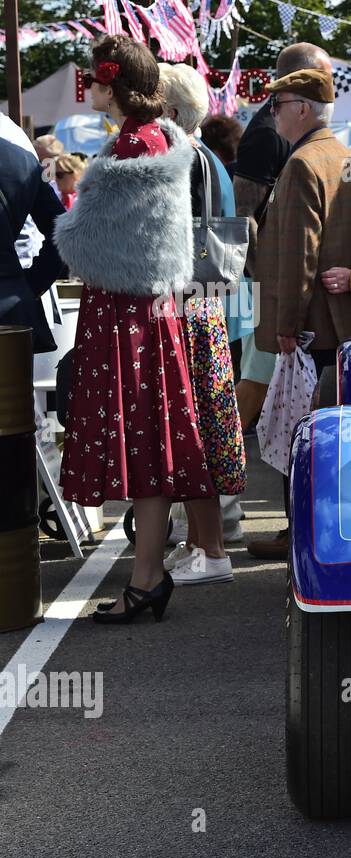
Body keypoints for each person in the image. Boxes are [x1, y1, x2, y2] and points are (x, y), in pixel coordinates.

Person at [55, 34, 213, 624]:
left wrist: (70, 224)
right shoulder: (162, 139)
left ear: (112, 85)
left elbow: (78, 240)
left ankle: (147, 575)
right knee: (153, 443)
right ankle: (147, 575)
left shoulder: (128, 147)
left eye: (95, 81)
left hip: (122, 313)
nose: (90, 90)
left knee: (143, 443)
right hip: (151, 312)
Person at [247, 68, 351, 560]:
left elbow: (298, 253)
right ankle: (323, 529)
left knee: (300, 429)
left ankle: (299, 531)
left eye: (277, 105)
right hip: (343, 321)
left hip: (311, 326)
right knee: (335, 433)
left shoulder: (302, 164)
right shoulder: (345, 158)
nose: (273, 115)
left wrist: (285, 326)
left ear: (301, 108)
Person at [155, 62, 247, 586]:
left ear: (167, 109)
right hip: (205, 303)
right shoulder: (207, 156)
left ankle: (209, 549)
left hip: (187, 305)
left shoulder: (183, 157)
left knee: (194, 427)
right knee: (202, 424)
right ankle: (201, 544)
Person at [231, 43, 331, 449]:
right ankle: (215, 468)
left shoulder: (279, 129)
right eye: (323, 80)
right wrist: (269, 285)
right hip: (263, 287)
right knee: (256, 377)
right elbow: (244, 215)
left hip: (276, 284)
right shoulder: (267, 133)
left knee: (269, 378)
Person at [0, 139, 65, 351]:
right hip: (10, 303)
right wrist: (28, 286)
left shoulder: (24, 159)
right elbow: (62, 230)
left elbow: (62, 231)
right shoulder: (23, 159)